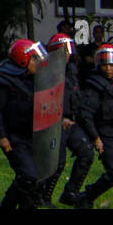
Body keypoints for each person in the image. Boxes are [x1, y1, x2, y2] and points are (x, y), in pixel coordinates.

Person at [0, 38, 49, 209]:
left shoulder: (34, 80)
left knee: (35, 178)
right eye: (34, 59)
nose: (39, 62)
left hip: (33, 136)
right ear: (24, 60)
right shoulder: (3, 82)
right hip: (14, 137)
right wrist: (2, 136)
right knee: (28, 176)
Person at [38, 33, 95, 207]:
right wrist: (58, 118)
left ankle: (70, 192)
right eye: (64, 50)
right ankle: (43, 196)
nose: (68, 54)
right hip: (54, 122)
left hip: (72, 121)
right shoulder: (45, 71)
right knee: (58, 162)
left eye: (69, 50)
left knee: (86, 153)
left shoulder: (72, 70)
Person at [75, 42, 113, 208]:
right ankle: (85, 197)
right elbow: (85, 115)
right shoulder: (94, 86)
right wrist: (96, 138)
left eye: (112, 65)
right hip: (105, 134)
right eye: (105, 65)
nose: (108, 69)